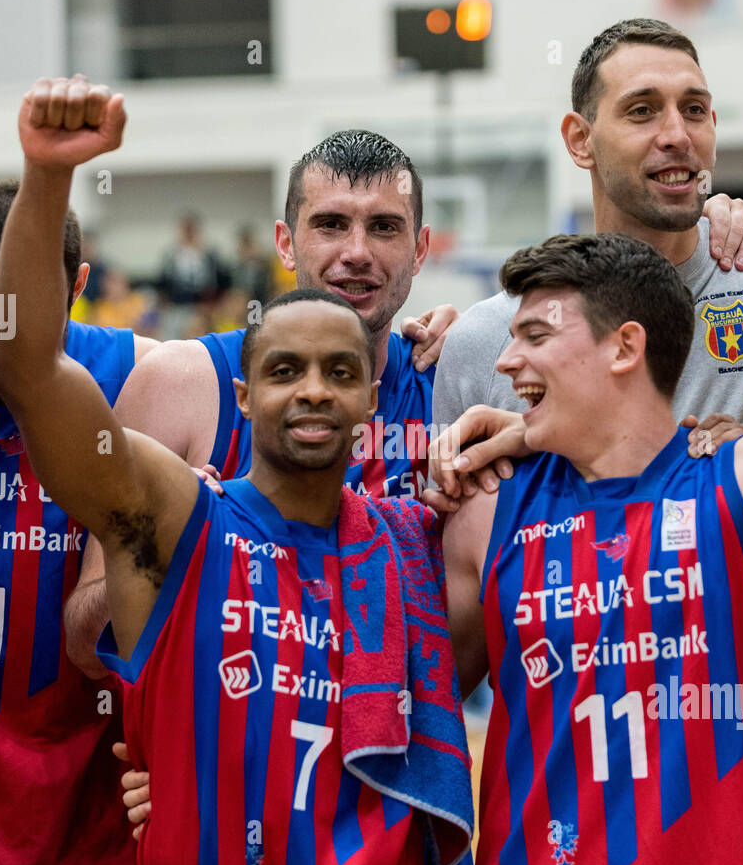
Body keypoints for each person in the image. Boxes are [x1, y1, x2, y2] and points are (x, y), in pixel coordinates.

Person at [0, 77, 473, 865]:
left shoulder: (409, 529)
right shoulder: (177, 513)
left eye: (339, 374)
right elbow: (33, 368)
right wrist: (45, 176)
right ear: (240, 388)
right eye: (286, 369)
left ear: (376, 396)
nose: (313, 390)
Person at [431, 17, 743, 865]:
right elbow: (450, 621)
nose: (678, 136)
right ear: (579, 136)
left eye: (697, 109)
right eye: (643, 110)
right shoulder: (485, 341)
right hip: (565, 801)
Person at [64, 128, 458, 679]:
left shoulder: (452, 385)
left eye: (384, 227)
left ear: (419, 251)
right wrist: (165, 549)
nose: (357, 252)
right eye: (330, 224)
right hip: (224, 757)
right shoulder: (180, 383)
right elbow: (87, 646)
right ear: (285, 243)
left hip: (392, 755)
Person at [0, 175, 158, 865]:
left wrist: (413, 347)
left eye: (12, 323)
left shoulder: (144, 380)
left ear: (70, 285)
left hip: (95, 854)